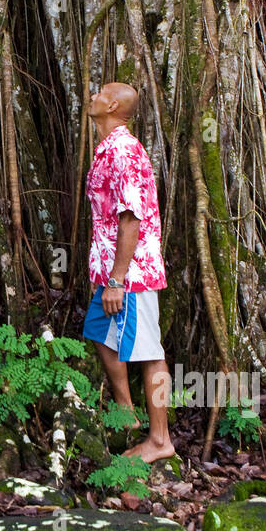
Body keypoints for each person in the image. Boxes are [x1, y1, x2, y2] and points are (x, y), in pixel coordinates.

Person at [81, 82, 174, 463]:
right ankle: (127, 413)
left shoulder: (124, 151)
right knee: (100, 333)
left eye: (100, 92)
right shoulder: (107, 150)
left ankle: (160, 440)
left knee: (149, 353)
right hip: (111, 274)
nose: (94, 95)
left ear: (113, 105)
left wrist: (117, 279)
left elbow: (130, 220)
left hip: (132, 275)